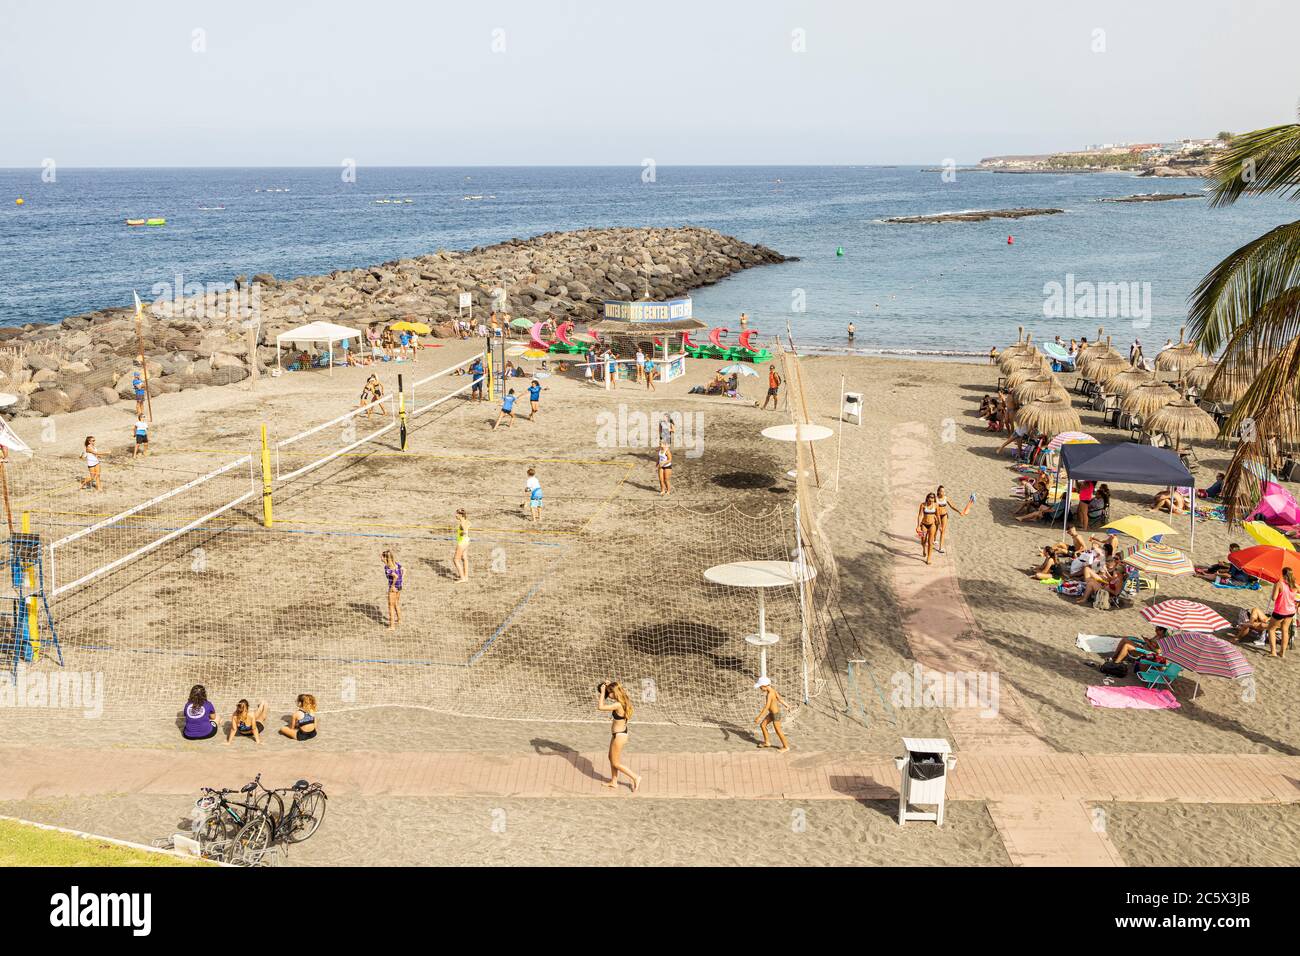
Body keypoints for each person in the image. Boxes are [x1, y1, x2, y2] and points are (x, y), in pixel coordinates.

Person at [596, 681, 640, 792]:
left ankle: (635, 777)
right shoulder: (623, 699)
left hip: (620, 736)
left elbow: (600, 707)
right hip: (619, 734)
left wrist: (602, 692)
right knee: (611, 757)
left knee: (615, 762)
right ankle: (614, 782)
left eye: (609, 693)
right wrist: (609, 683)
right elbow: (618, 687)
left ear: (614, 693)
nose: (608, 695)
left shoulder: (618, 705)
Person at [753, 676, 790, 752]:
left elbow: (767, 707)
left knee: (778, 731)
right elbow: (780, 699)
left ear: (764, 686)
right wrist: (786, 705)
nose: (760, 689)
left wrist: (759, 717)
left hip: (775, 715)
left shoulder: (769, 694)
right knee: (763, 725)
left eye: (760, 687)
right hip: (771, 714)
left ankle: (786, 747)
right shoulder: (773, 690)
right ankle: (767, 742)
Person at [1266, 566, 1296, 657]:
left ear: (1283, 574)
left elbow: (1274, 598)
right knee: (1285, 630)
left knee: (1271, 629)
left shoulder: (1279, 583)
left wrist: (1275, 590)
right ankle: (1282, 653)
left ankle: (1273, 652)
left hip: (1280, 611)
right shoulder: (1294, 585)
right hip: (1291, 611)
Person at [934, 485, 972, 554]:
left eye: (944, 491)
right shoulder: (935, 499)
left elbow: (952, 506)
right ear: (938, 491)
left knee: (943, 531)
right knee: (936, 528)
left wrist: (959, 511)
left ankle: (940, 548)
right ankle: (934, 539)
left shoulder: (946, 498)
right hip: (937, 516)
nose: (943, 492)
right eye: (942, 491)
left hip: (944, 515)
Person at [916, 492, 939, 564]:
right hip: (923, 524)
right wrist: (918, 526)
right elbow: (920, 515)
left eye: (933, 498)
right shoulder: (922, 505)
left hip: (932, 525)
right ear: (927, 498)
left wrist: (939, 525)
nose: (931, 499)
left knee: (930, 542)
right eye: (930, 497)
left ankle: (929, 558)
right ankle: (923, 549)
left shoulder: (936, 505)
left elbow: (938, 516)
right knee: (923, 540)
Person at [382, 550, 403, 630]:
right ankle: (399, 620)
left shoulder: (387, 567)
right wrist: (401, 580)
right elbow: (404, 570)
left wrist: (392, 586)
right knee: (396, 603)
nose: (381, 558)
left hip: (394, 588)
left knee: (390, 606)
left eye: (382, 556)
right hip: (400, 586)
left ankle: (392, 626)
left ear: (385, 558)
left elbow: (395, 576)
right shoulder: (396, 564)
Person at [452, 509, 470, 583]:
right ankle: (466, 577)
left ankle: (462, 578)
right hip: (467, 541)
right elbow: (469, 524)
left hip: (462, 542)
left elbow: (465, 531)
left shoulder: (462, 523)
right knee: (464, 558)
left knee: (455, 560)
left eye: (456, 514)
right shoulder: (467, 521)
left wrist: (463, 532)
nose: (455, 515)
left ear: (460, 515)